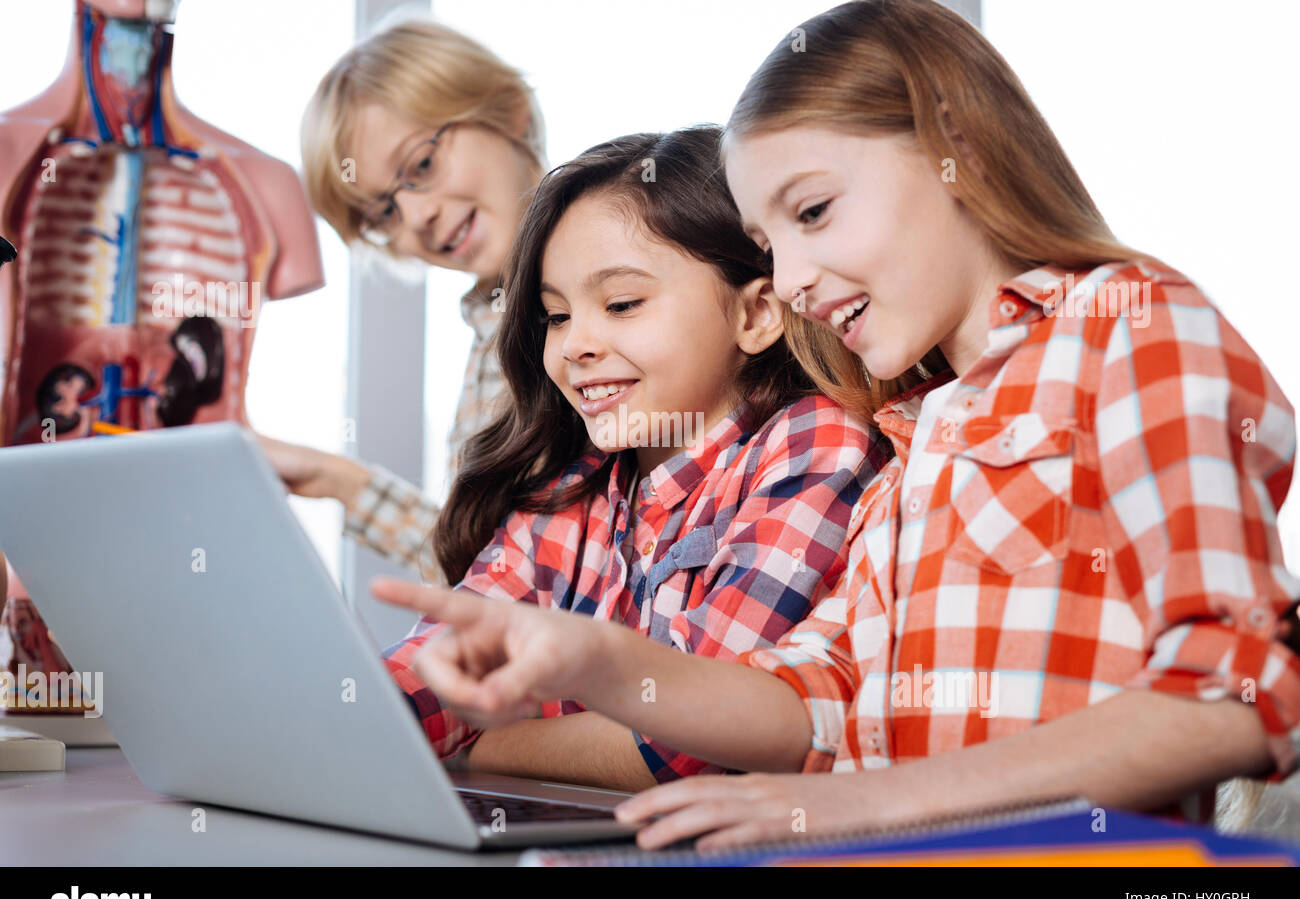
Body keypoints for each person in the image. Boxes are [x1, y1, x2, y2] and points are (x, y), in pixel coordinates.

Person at [374, 0, 1300, 848]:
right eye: (772, 245)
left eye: (814, 210)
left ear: (961, 150)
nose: (791, 279)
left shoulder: (1128, 327)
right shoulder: (908, 432)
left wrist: (864, 801)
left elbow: (1236, 693)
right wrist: (600, 660)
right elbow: (818, 700)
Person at [374, 126, 890, 792]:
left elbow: (690, 742)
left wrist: (477, 751)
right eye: (556, 316)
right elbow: (437, 667)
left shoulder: (814, 446)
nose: (575, 345)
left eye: (621, 304)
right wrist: (346, 720)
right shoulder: (576, 489)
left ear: (758, 313)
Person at [259, 20, 547, 578]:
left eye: (421, 166)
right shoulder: (493, 317)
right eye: (384, 213)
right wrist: (337, 481)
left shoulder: (594, 298)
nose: (416, 216)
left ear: (507, 109)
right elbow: (486, 561)